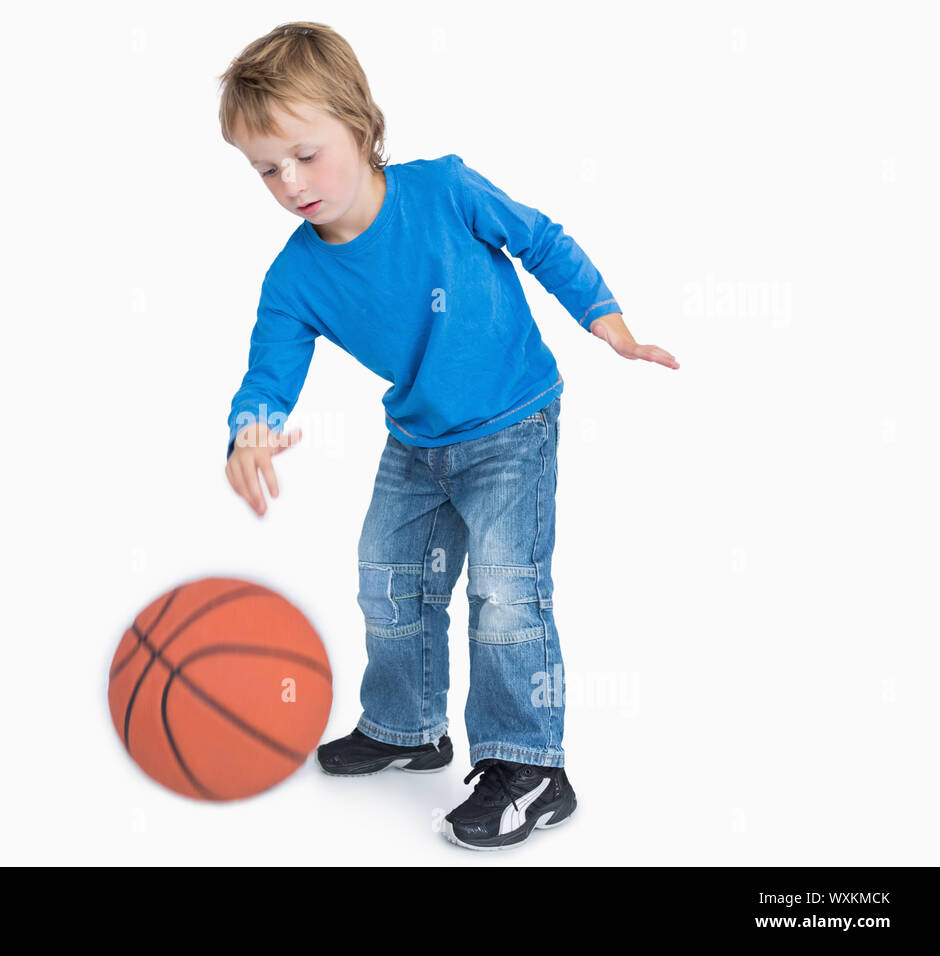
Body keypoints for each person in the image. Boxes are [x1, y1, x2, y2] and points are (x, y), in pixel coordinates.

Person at [217, 22, 678, 850]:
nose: (289, 182)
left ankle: (531, 766)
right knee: (387, 578)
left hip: (513, 423)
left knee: (504, 592)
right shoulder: (295, 276)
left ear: (361, 127)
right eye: (265, 169)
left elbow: (540, 240)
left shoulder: (446, 190)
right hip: (418, 442)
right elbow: (269, 371)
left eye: (304, 154)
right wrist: (250, 432)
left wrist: (607, 322)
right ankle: (406, 727)